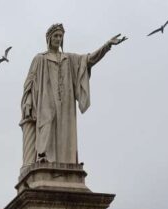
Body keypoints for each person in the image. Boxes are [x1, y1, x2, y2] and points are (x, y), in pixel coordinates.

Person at [20, 23, 126, 166]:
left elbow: (89, 59)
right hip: (46, 99)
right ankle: (42, 156)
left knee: (65, 131)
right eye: (55, 36)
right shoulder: (40, 58)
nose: (58, 39)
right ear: (49, 38)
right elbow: (29, 83)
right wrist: (27, 102)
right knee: (46, 124)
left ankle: (66, 162)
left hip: (66, 102)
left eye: (60, 36)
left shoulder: (69, 59)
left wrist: (107, 46)